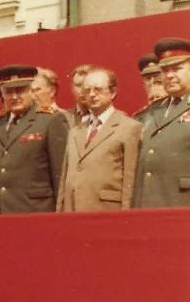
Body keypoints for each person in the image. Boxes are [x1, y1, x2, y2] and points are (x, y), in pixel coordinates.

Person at [0, 65, 68, 214]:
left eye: (20, 90)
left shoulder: (49, 121)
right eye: (8, 92)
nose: (14, 97)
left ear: (31, 91)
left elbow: (59, 176)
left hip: (35, 212)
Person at [57, 67, 141, 211]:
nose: (92, 94)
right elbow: (65, 179)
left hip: (107, 210)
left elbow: (130, 178)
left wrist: (127, 215)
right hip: (72, 211)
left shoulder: (129, 127)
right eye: (87, 90)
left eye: (98, 89)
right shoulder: (75, 131)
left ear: (113, 92)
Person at [132, 38, 190, 208]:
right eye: (165, 70)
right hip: (148, 206)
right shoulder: (154, 110)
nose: (170, 75)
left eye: (177, 69)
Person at [133, 54, 168, 124]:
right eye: (148, 78)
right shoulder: (139, 117)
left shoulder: (182, 110)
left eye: (156, 77)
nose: (152, 82)